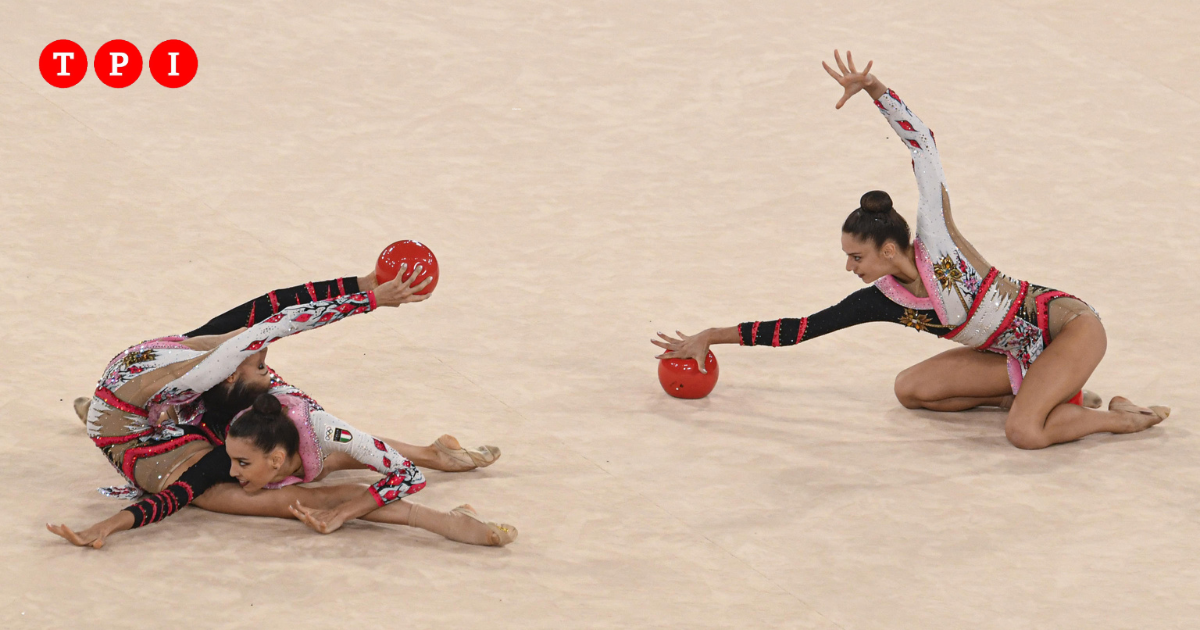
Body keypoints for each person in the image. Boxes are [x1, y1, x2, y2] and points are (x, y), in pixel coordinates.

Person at [652, 50, 1169, 450]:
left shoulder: (937, 242)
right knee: (911, 390)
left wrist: (877, 90)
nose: (849, 268)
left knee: (1025, 434)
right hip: (1014, 351)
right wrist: (710, 335)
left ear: (892, 248)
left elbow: (923, 144)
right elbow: (802, 328)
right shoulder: (882, 298)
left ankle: (1120, 417)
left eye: (857, 257)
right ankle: (1054, 393)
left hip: (1067, 327)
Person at [49, 265, 514, 547]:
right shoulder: (207, 371)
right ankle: (442, 494)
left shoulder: (202, 345)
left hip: (143, 411)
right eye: (258, 366)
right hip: (153, 441)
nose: (266, 365)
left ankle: (433, 462)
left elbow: (269, 303)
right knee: (289, 491)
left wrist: (356, 283)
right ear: (230, 373)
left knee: (294, 453)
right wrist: (369, 300)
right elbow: (283, 321)